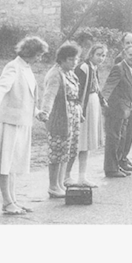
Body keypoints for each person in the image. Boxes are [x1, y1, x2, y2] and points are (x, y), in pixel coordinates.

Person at [0, 36, 48, 215]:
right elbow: (1, 88)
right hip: (7, 122)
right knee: (5, 164)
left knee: (12, 165)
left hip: (20, 122)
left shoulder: (26, 68)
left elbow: (26, 97)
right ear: (30, 52)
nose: (40, 58)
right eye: (39, 54)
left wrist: (37, 112)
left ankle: (13, 201)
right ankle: (7, 202)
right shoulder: (13, 66)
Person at [38, 44, 83, 197]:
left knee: (67, 151)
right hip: (60, 117)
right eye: (71, 59)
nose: (74, 62)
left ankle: (60, 183)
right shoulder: (55, 74)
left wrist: (79, 112)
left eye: (76, 59)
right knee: (57, 151)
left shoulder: (69, 72)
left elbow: (74, 95)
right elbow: (49, 95)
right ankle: (53, 186)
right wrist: (45, 112)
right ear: (62, 59)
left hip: (72, 116)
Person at [68, 43, 107, 187]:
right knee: (79, 141)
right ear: (91, 54)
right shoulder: (84, 68)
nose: (101, 58)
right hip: (85, 106)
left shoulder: (94, 68)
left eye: (103, 55)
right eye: (98, 54)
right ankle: (67, 175)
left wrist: (102, 99)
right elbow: (79, 90)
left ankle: (82, 176)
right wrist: (80, 110)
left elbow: (96, 87)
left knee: (87, 143)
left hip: (94, 103)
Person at [102, 45, 132, 178]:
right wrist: (102, 102)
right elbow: (108, 86)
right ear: (124, 54)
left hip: (126, 109)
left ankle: (117, 165)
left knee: (120, 139)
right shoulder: (118, 68)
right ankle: (111, 169)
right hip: (115, 109)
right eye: (131, 55)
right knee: (113, 139)